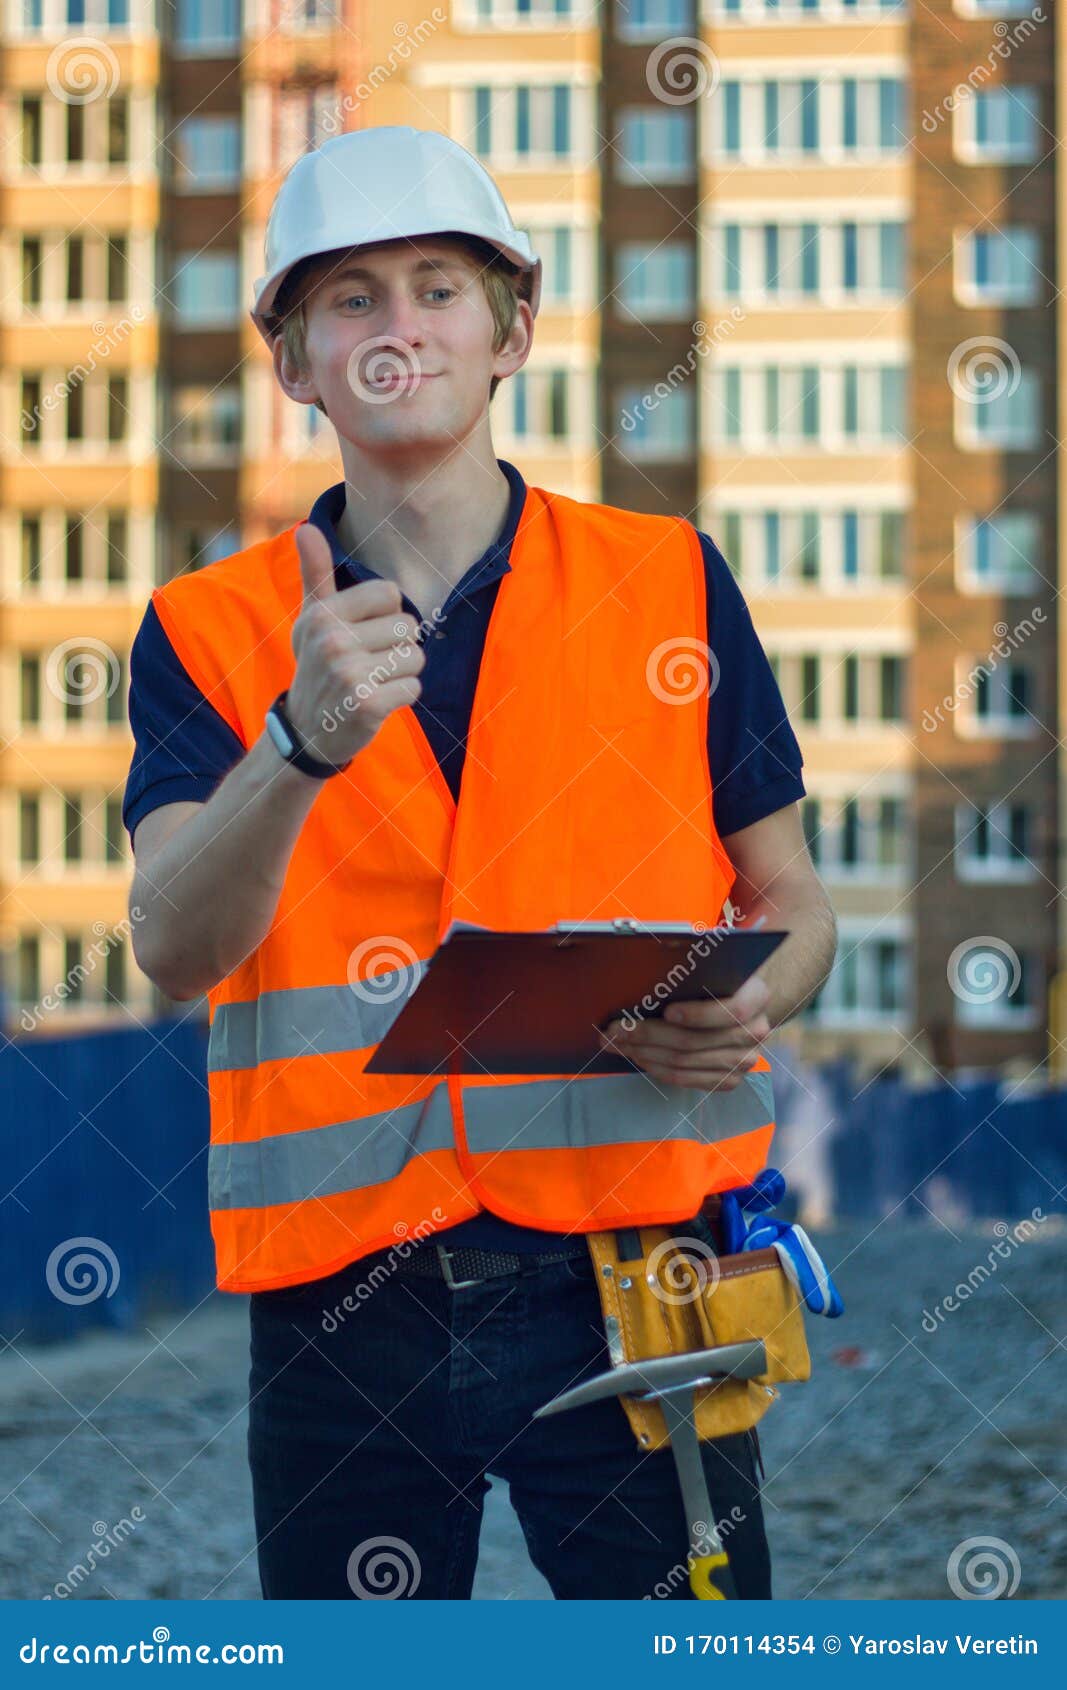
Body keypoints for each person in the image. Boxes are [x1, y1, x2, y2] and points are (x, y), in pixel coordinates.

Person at [123, 125, 837, 1600]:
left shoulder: (670, 581)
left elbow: (797, 905)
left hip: (645, 1267)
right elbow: (174, 942)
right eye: (352, 300)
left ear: (514, 326)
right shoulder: (205, 628)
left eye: (439, 287)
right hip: (342, 1300)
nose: (400, 329)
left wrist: (751, 1001)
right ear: (296, 362)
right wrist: (299, 746)